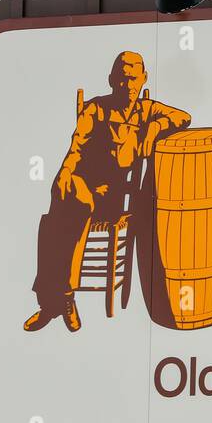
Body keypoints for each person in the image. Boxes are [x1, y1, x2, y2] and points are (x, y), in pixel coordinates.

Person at [23, 50, 191, 332]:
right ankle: (63, 297)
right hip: (83, 187)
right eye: (123, 79)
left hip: (115, 198)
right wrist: (64, 173)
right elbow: (76, 147)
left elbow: (184, 117)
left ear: (144, 78)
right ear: (112, 80)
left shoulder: (147, 111)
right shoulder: (95, 109)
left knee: (56, 219)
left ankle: (52, 303)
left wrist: (155, 128)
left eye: (134, 79)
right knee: (67, 199)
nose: (129, 86)